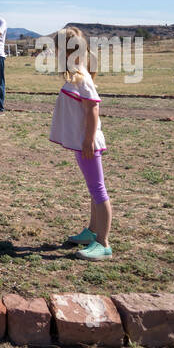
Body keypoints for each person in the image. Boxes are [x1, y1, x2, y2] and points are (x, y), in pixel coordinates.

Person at [48, 26, 112, 260]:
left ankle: (103, 243)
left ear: (64, 51)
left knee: (98, 189)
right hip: (82, 142)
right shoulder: (75, 73)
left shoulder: (81, 77)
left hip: (88, 143)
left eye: (56, 49)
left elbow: (93, 108)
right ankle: (92, 232)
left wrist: (87, 140)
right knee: (93, 189)